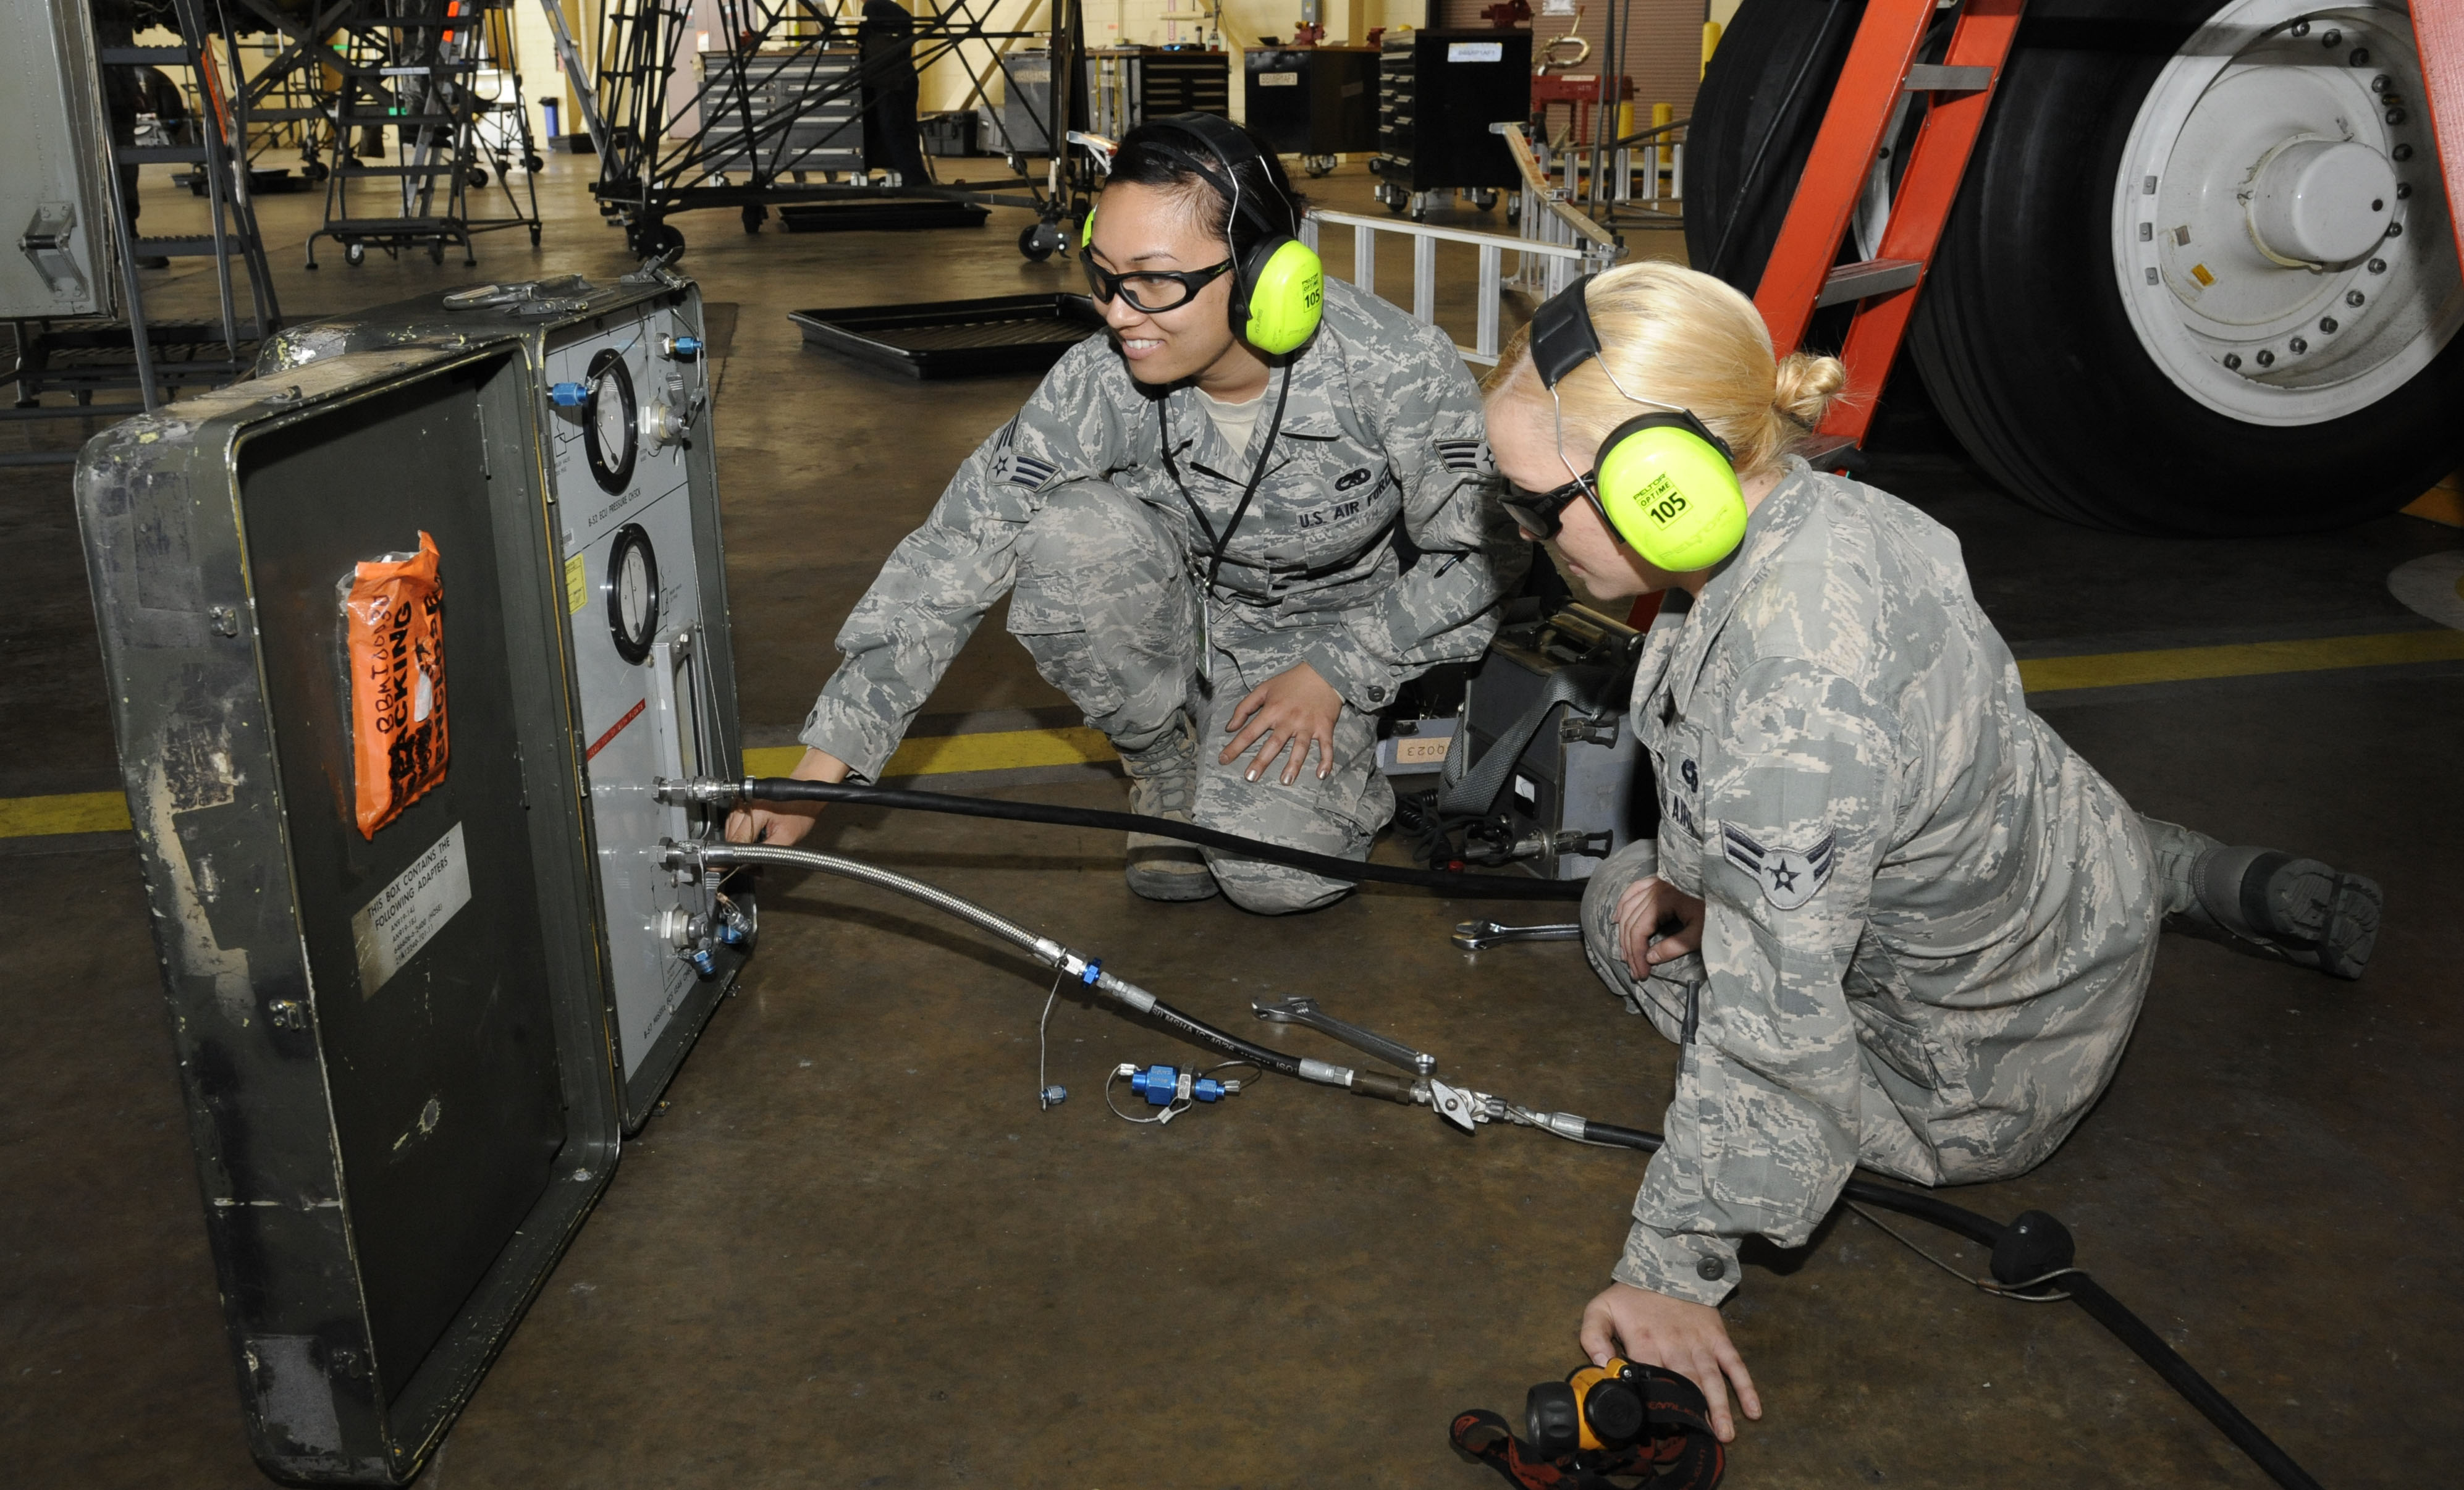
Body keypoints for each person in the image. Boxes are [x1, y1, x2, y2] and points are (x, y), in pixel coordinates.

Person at [1479, 262, 2384, 1443]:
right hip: (2068, 868)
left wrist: (1670, 1271)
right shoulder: (1841, 512)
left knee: (1618, 904)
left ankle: (2154, 884)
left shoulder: (1793, 703)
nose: (1526, 538)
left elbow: (1777, 1039)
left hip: (1993, 1069)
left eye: (1534, 508)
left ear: (1661, 487)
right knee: (1725, 868)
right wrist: (1716, 874)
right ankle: (2173, 867)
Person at [729, 114, 1526, 912]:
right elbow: (962, 544)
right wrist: (817, 772)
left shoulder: (1394, 371)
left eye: (1154, 282)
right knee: (1068, 529)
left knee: (1275, 880)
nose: (1117, 312)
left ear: (1261, 279)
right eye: (1105, 274)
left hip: (1328, 637)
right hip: (1174, 615)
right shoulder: (1099, 378)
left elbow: (1489, 559)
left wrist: (1341, 668)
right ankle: (1163, 759)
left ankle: (1330, 767)